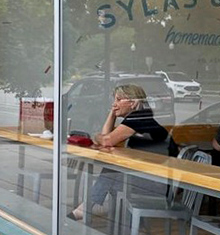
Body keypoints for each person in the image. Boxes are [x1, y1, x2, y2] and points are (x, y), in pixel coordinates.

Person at [69, 83, 175, 221]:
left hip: (160, 186)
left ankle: (84, 210)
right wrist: (112, 114)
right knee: (112, 173)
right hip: (157, 179)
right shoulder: (140, 117)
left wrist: (96, 136)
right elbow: (106, 137)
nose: (114, 104)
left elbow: (106, 140)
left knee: (111, 173)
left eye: (119, 100)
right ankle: (132, 225)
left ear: (133, 102)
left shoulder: (138, 119)